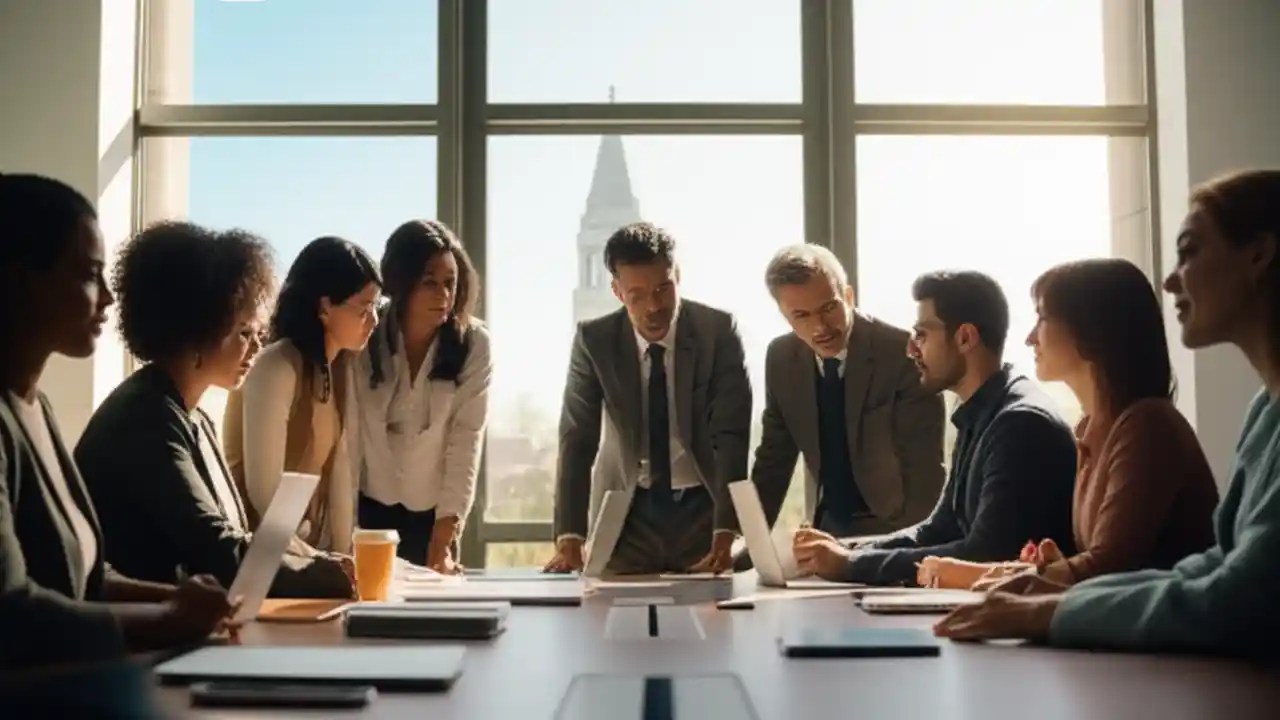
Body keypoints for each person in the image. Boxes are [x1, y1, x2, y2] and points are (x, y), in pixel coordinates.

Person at [935, 170, 1280, 661]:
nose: (1170, 279)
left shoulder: (1147, 425)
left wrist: (1050, 608)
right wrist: (1057, 593)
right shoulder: (1263, 410)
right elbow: (1219, 565)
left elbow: (1240, 597)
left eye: (1189, 251)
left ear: (1258, 255)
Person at [0, 173, 233, 669]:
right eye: (88, 274)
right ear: (20, 281)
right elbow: (11, 613)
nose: (106, 298)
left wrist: (179, 599)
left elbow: (84, 577)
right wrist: (171, 618)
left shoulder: (35, 407)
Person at [76, 221, 353, 598]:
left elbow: (234, 538)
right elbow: (219, 550)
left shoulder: (193, 417)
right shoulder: (146, 418)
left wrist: (322, 563)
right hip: (147, 636)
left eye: (258, 333)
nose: (256, 347)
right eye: (243, 333)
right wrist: (328, 576)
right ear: (197, 328)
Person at [918, 259, 1218, 590]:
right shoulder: (1092, 429)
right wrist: (1057, 564)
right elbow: (1098, 563)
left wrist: (971, 574)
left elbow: (1108, 567)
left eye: (1042, 318)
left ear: (1091, 329)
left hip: (1164, 637)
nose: (1031, 338)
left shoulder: (1148, 427)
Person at [793, 270, 1077, 585]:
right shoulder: (984, 411)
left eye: (922, 335)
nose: (911, 349)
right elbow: (939, 528)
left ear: (965, 338)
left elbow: (987, 553)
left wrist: (850, 565)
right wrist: (847, 551)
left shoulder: (1020, 425)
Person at [543, 222, 752, 575]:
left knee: (709, 621)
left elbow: (730, 436)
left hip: (702, 508)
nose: (653, 306)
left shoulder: (717, 332)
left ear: (678, 276)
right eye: (637, 294)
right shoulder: (594, 340)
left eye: (663, 289)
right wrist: (570, 535)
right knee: (615, 622)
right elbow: (577, 439)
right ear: (617, 291)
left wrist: (726, 528)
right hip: (626, 511)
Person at [752, 245, 945, 539]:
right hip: (830, 529)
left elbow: (925, 471)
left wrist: (910, 548)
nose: (820, 328)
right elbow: (773, 460)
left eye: (829, 308)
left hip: (898, 527)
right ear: (785, 316)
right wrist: (749, 541)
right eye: (801, 315)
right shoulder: (781, 359)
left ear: (849, 296)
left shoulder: (902, 353)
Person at [224, 236, 382, 554]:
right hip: (250, 555)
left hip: (296, 553)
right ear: (325, 307)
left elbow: (339, 473)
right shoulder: (276, 366)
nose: (374, 321)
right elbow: (264, 495)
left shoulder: (336, 369)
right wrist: (321, 564)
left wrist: (344, 558)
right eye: (365, 308)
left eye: (376, 307)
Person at [352, 220, 491, 571]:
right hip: (365, 510)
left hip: (432, 516)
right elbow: (348, 437)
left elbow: (466, 439)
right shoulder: (366, 333)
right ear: (401, 282)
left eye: (450, 284)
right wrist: (340, 530)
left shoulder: (474, 344)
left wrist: (445, 538)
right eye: (429, 283)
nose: (443, 296)